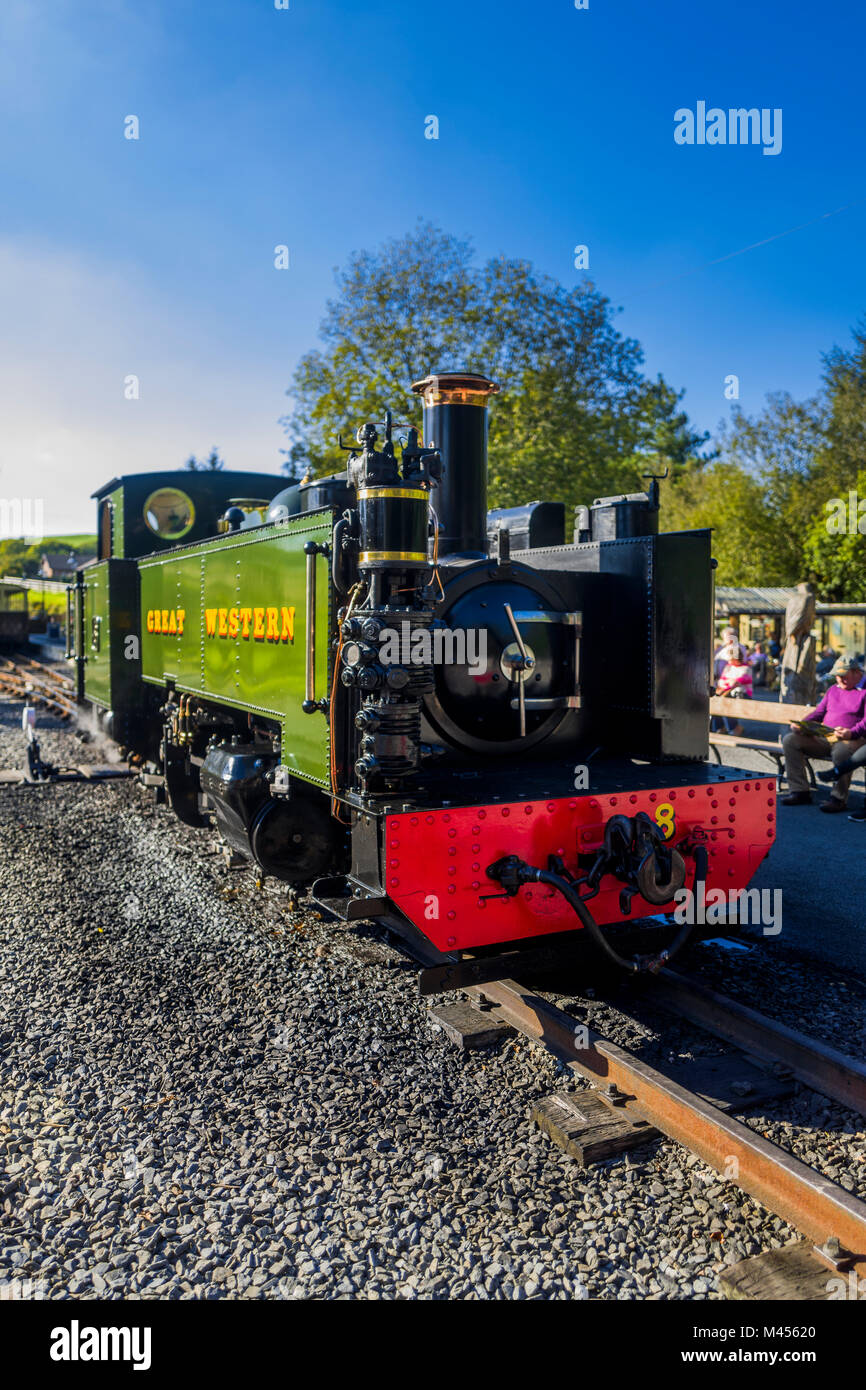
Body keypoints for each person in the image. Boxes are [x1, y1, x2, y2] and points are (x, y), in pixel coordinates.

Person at [780, 656, 866, 810]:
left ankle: (838, 798)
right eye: (837, 676)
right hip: (826, 736)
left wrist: (850, 733)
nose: (839, 679)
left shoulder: (864, 691)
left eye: (844, 675)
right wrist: (803, 724)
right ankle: (800, 791)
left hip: (853, 739)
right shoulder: (833, 689)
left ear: (856, 673)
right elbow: (819, 713)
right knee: (790, 740)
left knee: (842, 750)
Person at [715, 644, 752, 735]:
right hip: (727, 693)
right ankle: (720, 726)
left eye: (730, 658)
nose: (729, 660)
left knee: (726, 703)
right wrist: (729, 682)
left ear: (736, 658)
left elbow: (736, 683)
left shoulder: (746, 668)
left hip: (741, 696)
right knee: (716, 702)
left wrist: (728, 683)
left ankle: (734, 727)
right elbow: (721, 681)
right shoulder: (728, 667)